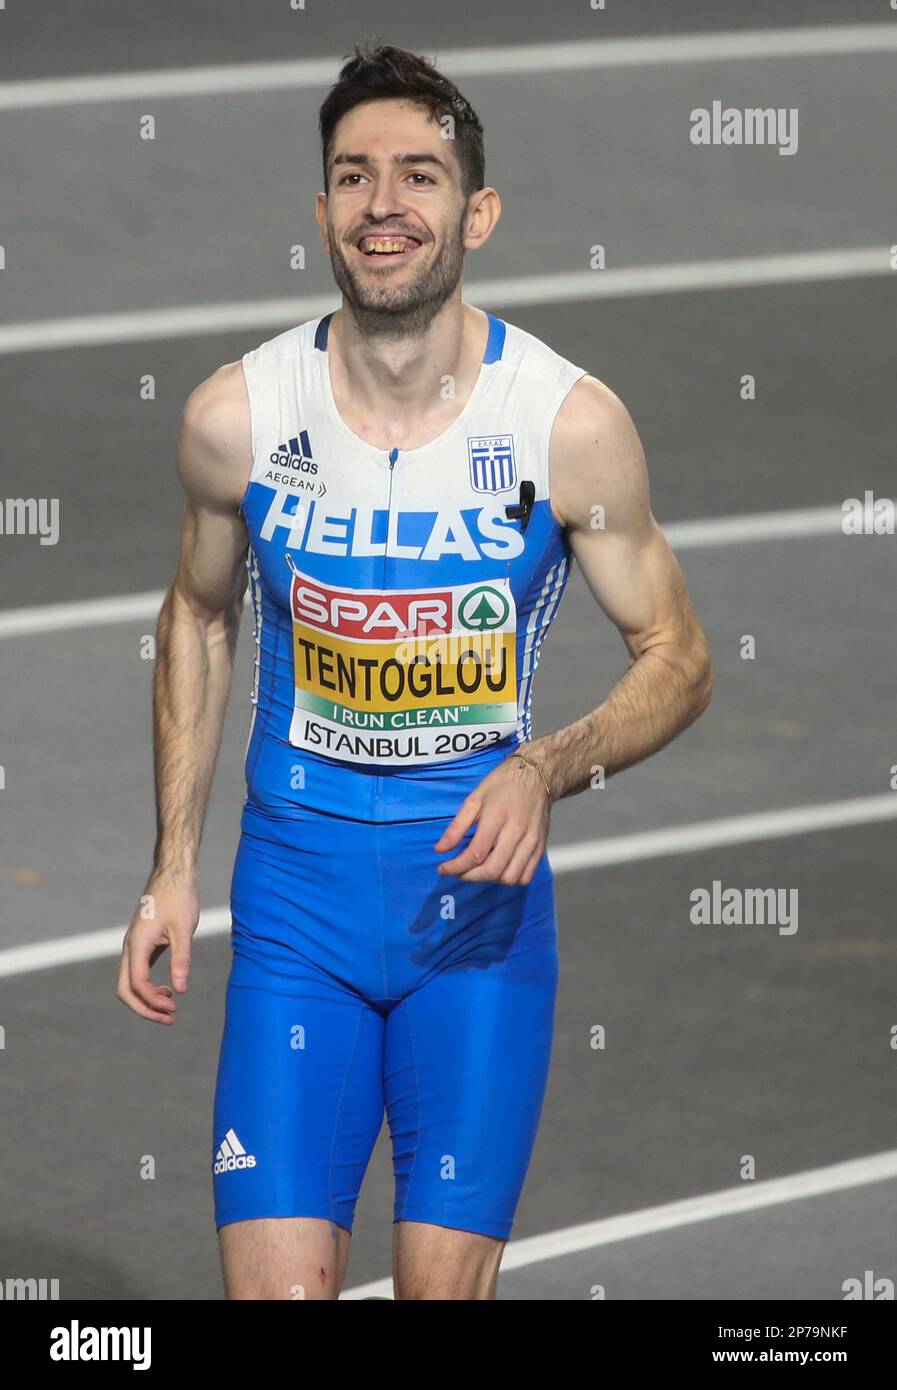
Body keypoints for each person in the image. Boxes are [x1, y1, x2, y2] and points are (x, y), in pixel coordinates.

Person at [117, 43, 713, 1301]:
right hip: (295, 916)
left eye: (419, 176)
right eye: (353, 176)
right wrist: (171, 867)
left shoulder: (567, 426)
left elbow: (680, 657)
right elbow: (199, 614)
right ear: (321, 210)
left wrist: (548, 767)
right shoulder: (239, 416)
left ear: (475, 213)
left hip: (476, 928)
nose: (384, 204)